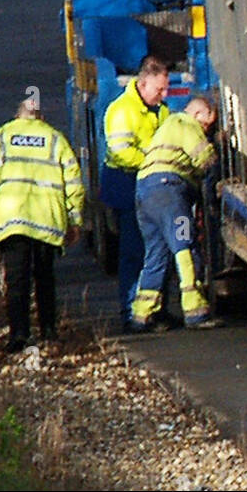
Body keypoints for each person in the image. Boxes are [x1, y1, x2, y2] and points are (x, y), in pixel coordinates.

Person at [0, 98, 84, 353]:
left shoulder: (1, 137)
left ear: (17, 116)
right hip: (46, 221)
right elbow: (74, 184)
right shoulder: (54, 138)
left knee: (17, 280)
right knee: (45, 277)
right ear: (41, 117)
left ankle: (19, 335)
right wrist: (75, 220)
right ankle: (48, 331)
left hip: (11, 219)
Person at [130, 95, 220, 331]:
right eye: (208, 124)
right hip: (170, 194)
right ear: (198, 114)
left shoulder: (166, 127)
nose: (206, 130)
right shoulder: (186, 124)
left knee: (156, 254)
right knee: (185, 247)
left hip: (145, 194)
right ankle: (195, 312)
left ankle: (142, 315)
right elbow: (205, 158)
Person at [100, 56, 170, 329]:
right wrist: (154, 162)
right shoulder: (121, 111)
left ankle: (156, 309)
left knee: (159, 250)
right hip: (127, 184)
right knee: (134, 251)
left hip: (152, 183)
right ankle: (131, 312)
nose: (163, 95)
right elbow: (121, 152)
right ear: (142, 84)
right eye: (159, 90)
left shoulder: (160, 110)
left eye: (165, 89)